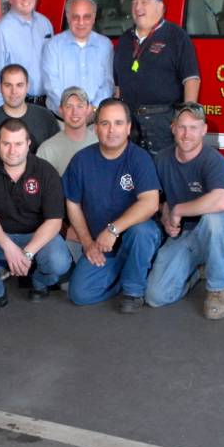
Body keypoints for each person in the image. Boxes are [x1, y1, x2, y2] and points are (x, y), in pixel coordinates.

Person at [0, 118, 71, 319]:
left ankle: (39, 281)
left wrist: (27, 253)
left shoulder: (46, 171)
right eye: (6, 143)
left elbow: (54, 221)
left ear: (28, 144)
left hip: (36, 238)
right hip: (0, 238)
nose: (12, 150)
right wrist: (9, 247)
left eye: (18, 143)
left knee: (59, 261)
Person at [63, 98, 162, 313]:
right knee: (79, 294)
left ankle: (133, 291)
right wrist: (88, 243)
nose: (111, 130)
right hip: (101, 245)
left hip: (132, 239)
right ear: (96, 127)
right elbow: (72, 204)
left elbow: (151, 203)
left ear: (128, 128)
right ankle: (129, 274)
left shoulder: (139, 159)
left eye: (118, 123)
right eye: (105, 123)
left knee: (142, 231)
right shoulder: (81, 161)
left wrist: (113, 229)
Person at [144, 103, 224, 319]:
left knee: (215, 219)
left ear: (204, 130)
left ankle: (217, 290)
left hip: (209, 235)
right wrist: (167, 217)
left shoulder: (214, 161)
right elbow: (160, 200)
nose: (187, 134)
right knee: (155, 297)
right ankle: (193, 274)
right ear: (173, 128)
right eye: (182, 127)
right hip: (182, 237)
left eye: (194, 128)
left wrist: (179, 210)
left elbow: (222, 201)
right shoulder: (162, 159)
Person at [113, 0, 201, 159]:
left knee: (162, 176)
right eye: (134, 2)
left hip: (163, 123)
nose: (138, 7)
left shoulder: (176, 36)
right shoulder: (124, 40)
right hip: (131, 124)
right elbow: (118, 87)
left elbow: (191, 79)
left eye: (145, 1)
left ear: (161, 6)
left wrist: (186, 121)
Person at [0, 0, 54, 110]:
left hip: (47, 105)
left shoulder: (45, 23)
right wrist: (1, 117)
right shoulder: (1, 31)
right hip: (17, 106)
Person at [0, 63, 59, 167]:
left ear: (27, 86)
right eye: (8, 85)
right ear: (0, 87)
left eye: (19, 85)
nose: (14, 91)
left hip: (42, 181)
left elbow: (56, 158)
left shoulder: (46, 118)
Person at [41, 0, 113, 114]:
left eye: (86, 17)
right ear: (68, 17)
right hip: (62, 121)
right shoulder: (53, 46)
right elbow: (51, 86)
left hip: (95, 120)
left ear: (94, 18)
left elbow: (108, 83)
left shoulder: (105, 45)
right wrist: (72, 112)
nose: (81, 22)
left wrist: (93, 109)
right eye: (76, 17)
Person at [36, 86, 98, 176]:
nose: (75, 112)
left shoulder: (100, 144)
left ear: (88, 109)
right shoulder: (47, 150)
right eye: (69, 106)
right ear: (61, 110)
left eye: (80, 106)